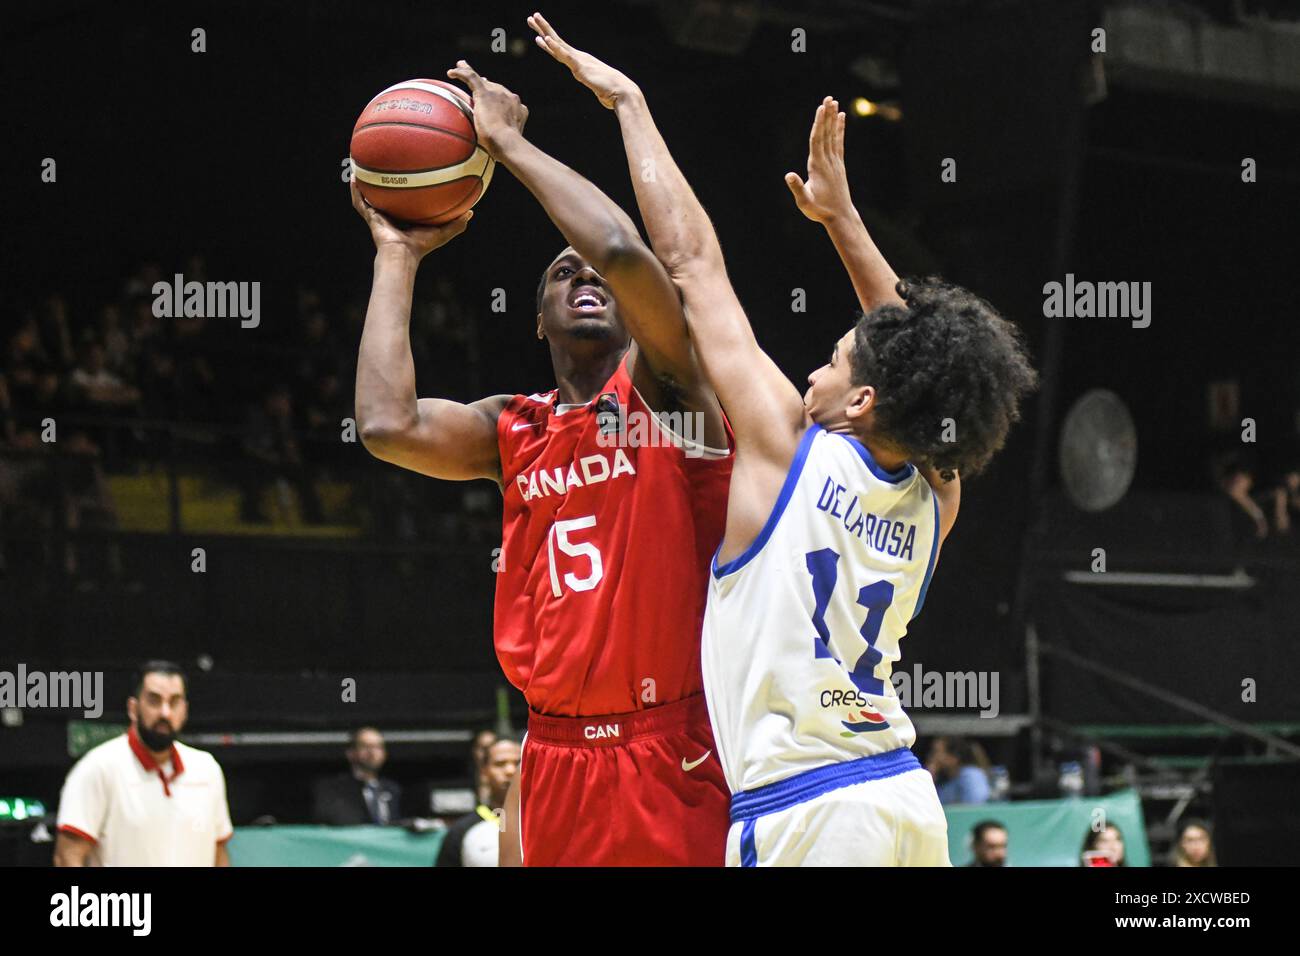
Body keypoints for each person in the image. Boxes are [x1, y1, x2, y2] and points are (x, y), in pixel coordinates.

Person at [529, 13, 1036, 866]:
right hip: (903, 797)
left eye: (832, 362)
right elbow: (926, 358)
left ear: (863, 399)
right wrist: (842, 222)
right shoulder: (935, 495)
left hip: (806, 806)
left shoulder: (788, 448)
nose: (812, 371)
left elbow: (692, 263)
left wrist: (630, 106)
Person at [351, 54, 733, 865]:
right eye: (563, 273)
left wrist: (511, 148)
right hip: (552, 753)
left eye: (597, 276)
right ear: (538, 321)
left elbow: (622, 249)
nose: (586, 274)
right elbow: (385, 424)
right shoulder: (512, 429)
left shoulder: (670, 394)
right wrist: (398, 256)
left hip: (670, 745)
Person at [54, 661, 234, 866]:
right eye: (154, 701)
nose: (165, 713)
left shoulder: (207, 769)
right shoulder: (98, 768)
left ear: (184, 710)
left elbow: (219, 854)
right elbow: (67, 857)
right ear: (133, 708)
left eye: (174, 702)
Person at [437, 736, 522, 867]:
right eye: (500, 764)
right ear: (484, 771)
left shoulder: (542, 824)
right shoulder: (461, 831)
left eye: (517, 763)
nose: (510, 771)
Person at [311, 727, 402, 826]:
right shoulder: (332, 789)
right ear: (351, 753)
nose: (372, 752)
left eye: (378, 747)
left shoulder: (392, 789)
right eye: (365, 746)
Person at [928, 736, 992, 806]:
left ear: (953, 757)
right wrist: (930, 775)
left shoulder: (971, 776)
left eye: (936, 752)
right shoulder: (942, 781)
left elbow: (976, 805)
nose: (931, 757)